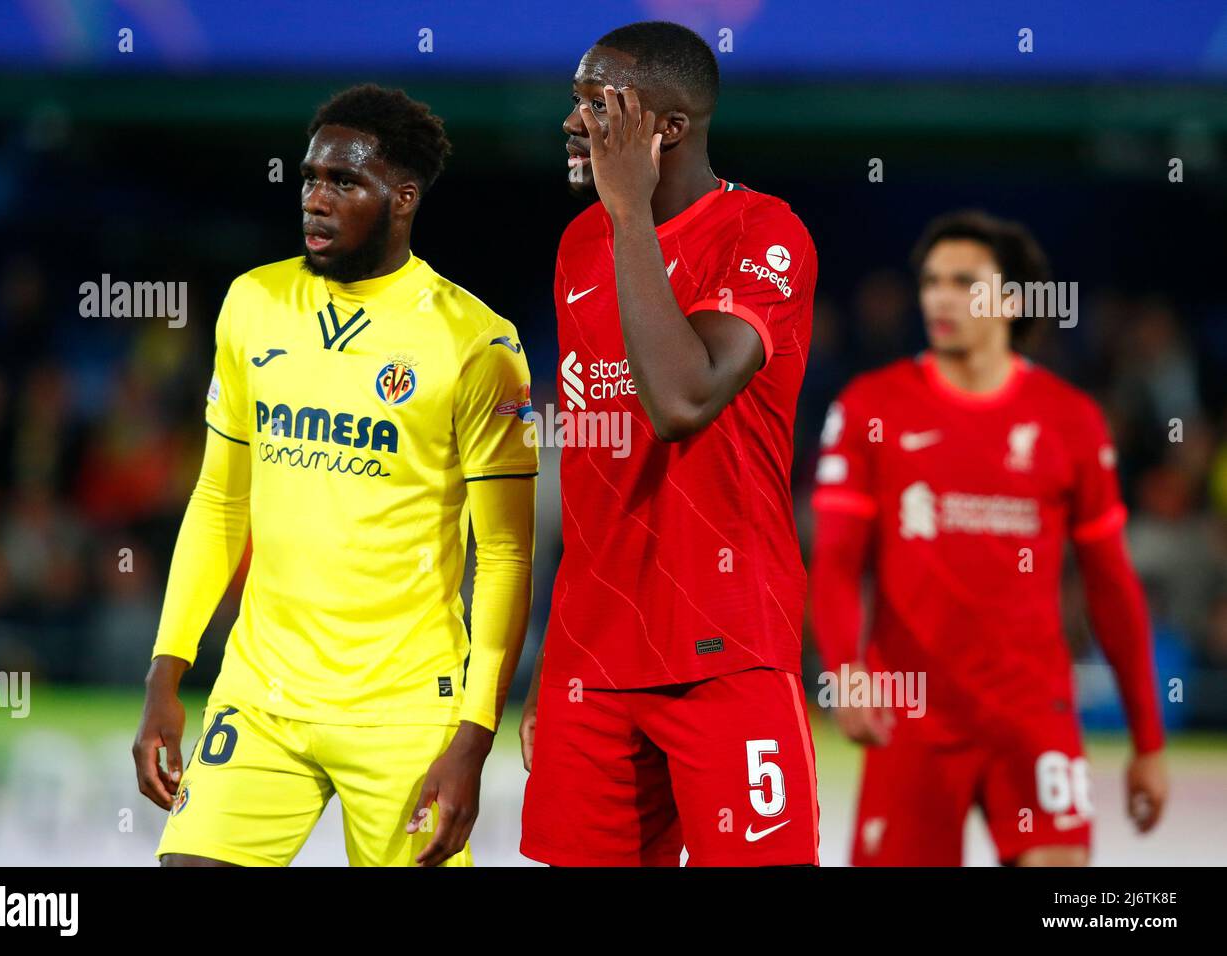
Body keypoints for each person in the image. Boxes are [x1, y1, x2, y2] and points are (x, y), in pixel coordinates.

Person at [131, 84, 538, 867]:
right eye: (311, 178)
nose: (316, 198)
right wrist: (166, 672)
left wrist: (473, 737)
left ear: (405, 197)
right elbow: (219, 501)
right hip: (262, 697)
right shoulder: (254, 304)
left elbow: (508, 557)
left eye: (344, 182)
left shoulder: (479, 345)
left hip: (406, 713)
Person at [519, 21, 820, 866]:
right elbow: (592, 467)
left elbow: (682, 400)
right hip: (594, 657)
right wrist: (558, 659)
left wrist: (627, 218)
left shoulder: (766, 233)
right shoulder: (579, 245)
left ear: (669, 128)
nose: (573, 123)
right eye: (573, 102)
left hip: (729, 647)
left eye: (597, 104)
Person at [810, 209, 1168, 866]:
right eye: (931, 282)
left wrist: (1148, 741)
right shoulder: (871, 407)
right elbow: (835, 562)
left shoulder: (1071, 420)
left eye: (963, 282)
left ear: (1011, 299)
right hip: (912, 720)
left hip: (1033, 716)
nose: (940, 297)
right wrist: (847, 670)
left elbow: (1111, 586)